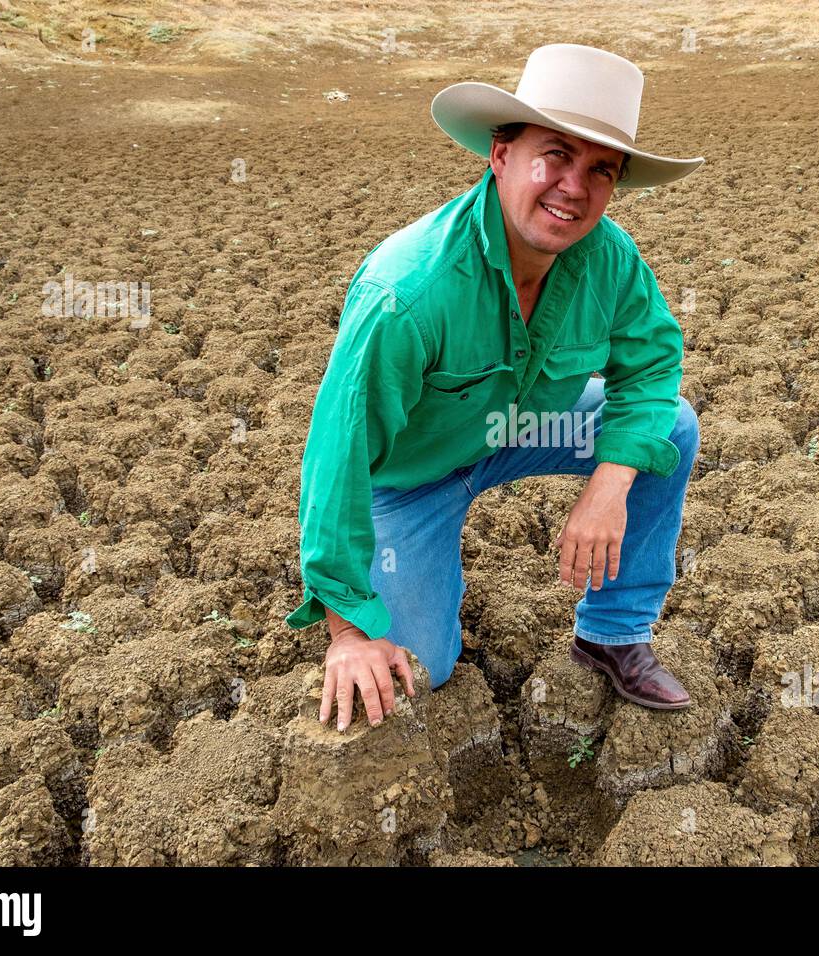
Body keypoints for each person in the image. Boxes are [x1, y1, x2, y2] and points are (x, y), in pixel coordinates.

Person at [286, 43, 706, 732]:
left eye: (601, 170)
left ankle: (613, 633)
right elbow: (338, 458)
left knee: (673, 426)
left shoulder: (609, 260)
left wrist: (609, 483)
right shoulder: (409, 292)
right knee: (417, 668)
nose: (575, 186)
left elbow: (652, 367)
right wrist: (347, 634)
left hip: (516, 431)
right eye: (556, 155)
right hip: (408, 478)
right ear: (500, 155)